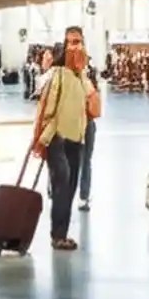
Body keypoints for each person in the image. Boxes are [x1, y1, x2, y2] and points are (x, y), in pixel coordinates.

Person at [32, 27, 100, 251]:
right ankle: (57, 235)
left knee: (70, 188)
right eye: (71, 42)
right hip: (57, 139)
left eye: (78, 41)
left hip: (76, 140)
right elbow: (47, 109)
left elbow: (94, 108)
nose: (75, 46)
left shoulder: (83, 77)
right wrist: (41, 139)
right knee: (62, 184)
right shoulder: (57, 74)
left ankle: (61, 233)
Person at [78, 60, 100, 212]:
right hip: (80, 124)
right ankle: (82, 196)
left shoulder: (85, 82)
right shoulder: (84, 82)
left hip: (84, 124)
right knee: (82, 161)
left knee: (84, 161)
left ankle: (84, 196)